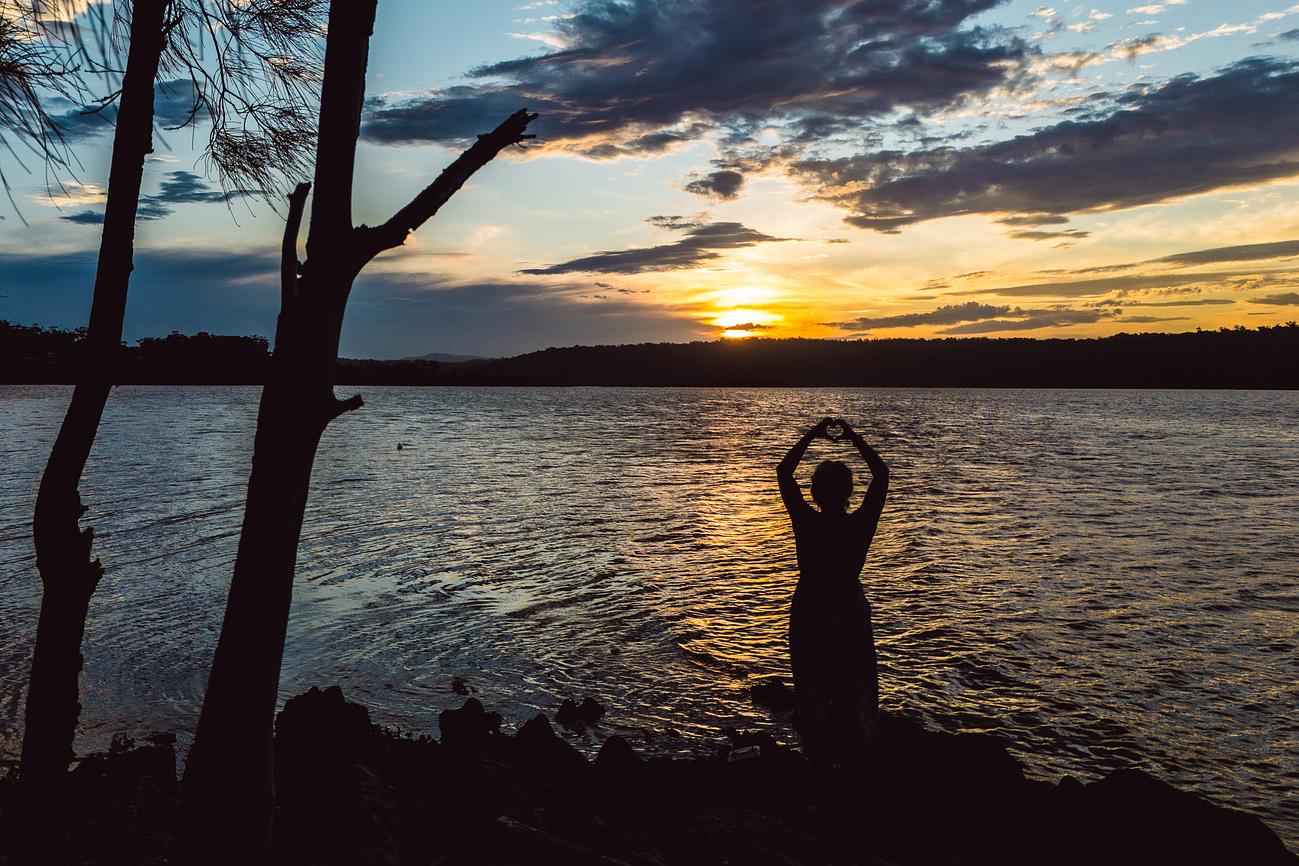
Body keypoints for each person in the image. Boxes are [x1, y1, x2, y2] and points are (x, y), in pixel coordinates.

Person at [777, 417, 889, 767]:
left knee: (811, 686)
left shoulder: (807, 521)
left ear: (814, 493)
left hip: (810, 606)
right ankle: (858, 760)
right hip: (848, 608)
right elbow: (882, 475)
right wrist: (854, 437)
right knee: (854, 686)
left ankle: (819, 761)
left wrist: (812, 433)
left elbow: (783, 472)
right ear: (849, 493)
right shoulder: (859, 525)